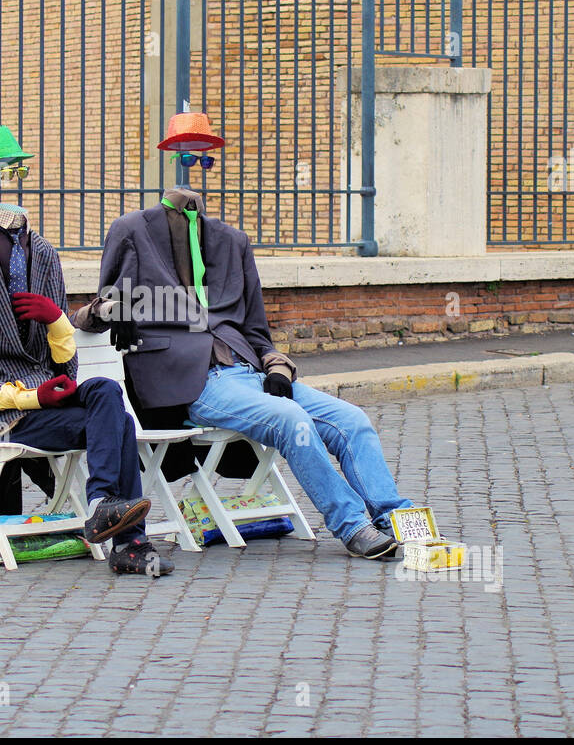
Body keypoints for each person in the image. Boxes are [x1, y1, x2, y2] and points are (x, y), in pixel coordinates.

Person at [74, 112, 413, 560]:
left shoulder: (233, 241)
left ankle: (395, 516)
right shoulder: (132, 231)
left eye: (203, 154)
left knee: (354, 421)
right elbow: (104, 306)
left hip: (247, 373)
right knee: (293, 423)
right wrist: (97, 312)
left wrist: (276, 365)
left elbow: (256, 329)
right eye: (186, 152)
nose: (194, 161)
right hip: (188, 382)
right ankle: (352, 525)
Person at [0, 125, 174, 576]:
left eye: (19, 167)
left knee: (103, 392)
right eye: (4, 169)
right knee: (117, 421)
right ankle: (129, 544)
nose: (15, 176)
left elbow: (66, 363)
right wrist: (31, 397)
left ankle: (101, 503)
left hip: (48, 403)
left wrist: (57, 320)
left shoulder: (42, 252)